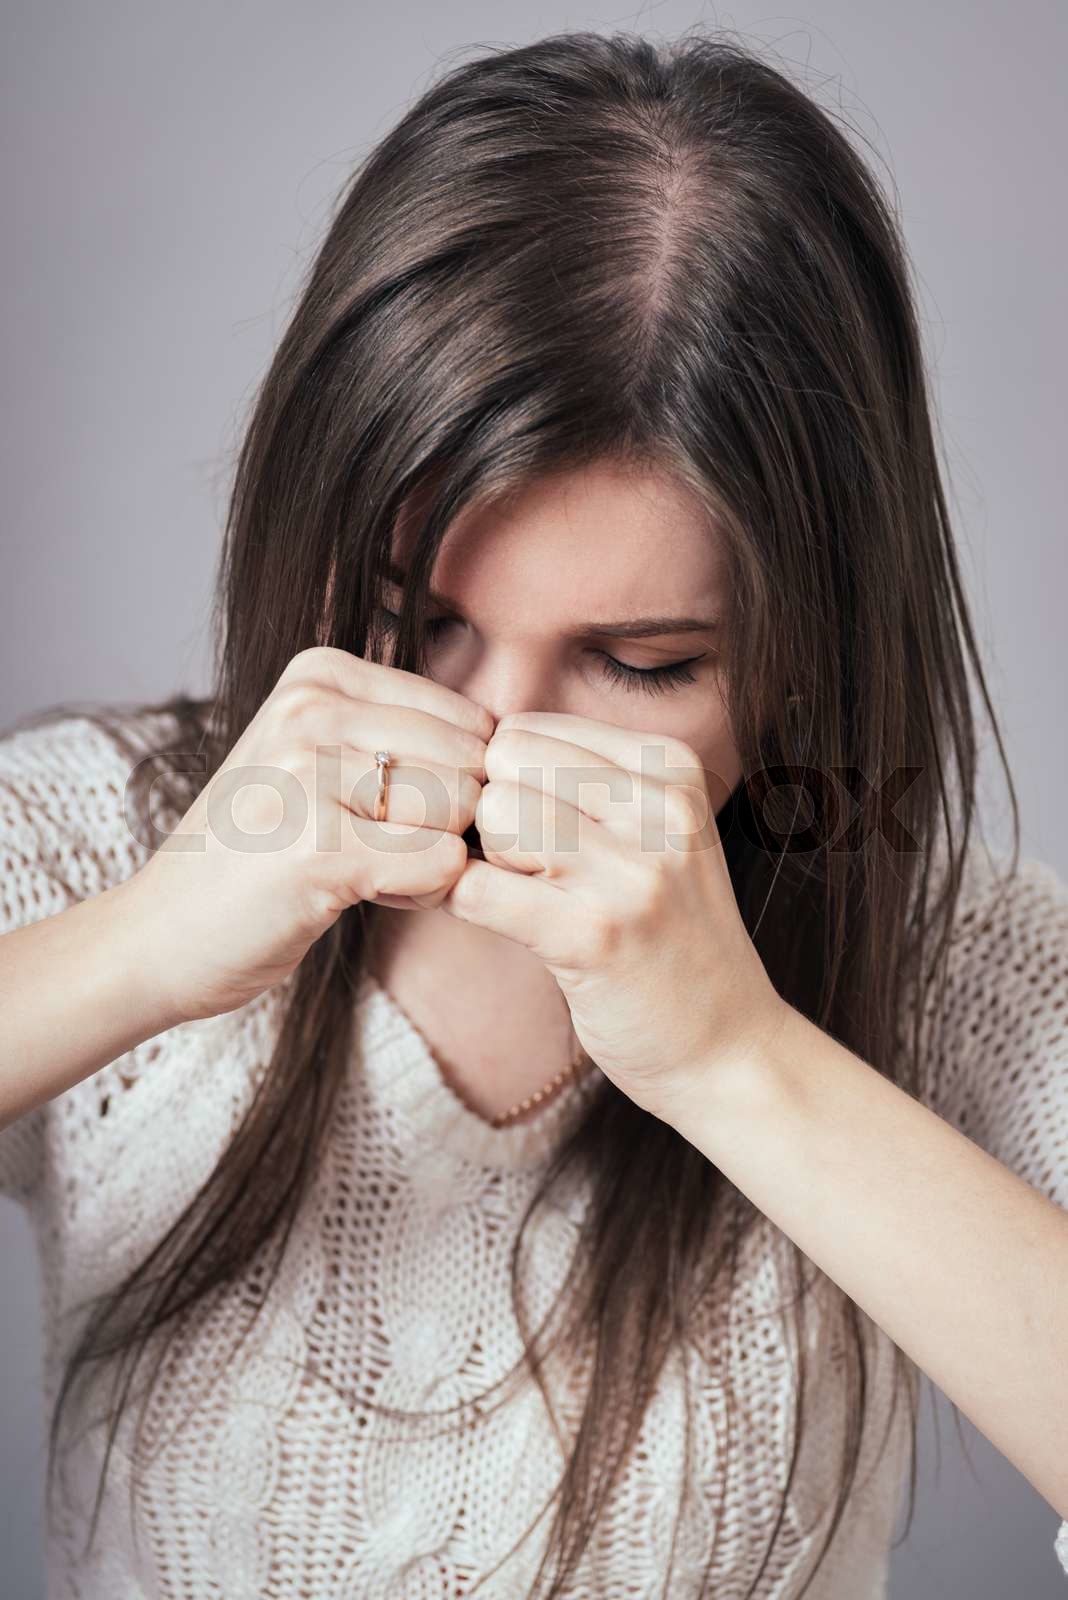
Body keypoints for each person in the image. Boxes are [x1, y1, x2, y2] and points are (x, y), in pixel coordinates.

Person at [2, 27, 1067, 1600]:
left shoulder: (964, 966)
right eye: (411, 619)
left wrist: (740, 1060)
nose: (484, 738)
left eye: (636, 665)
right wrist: (148, 946)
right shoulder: (88, 835)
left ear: (798, 658)